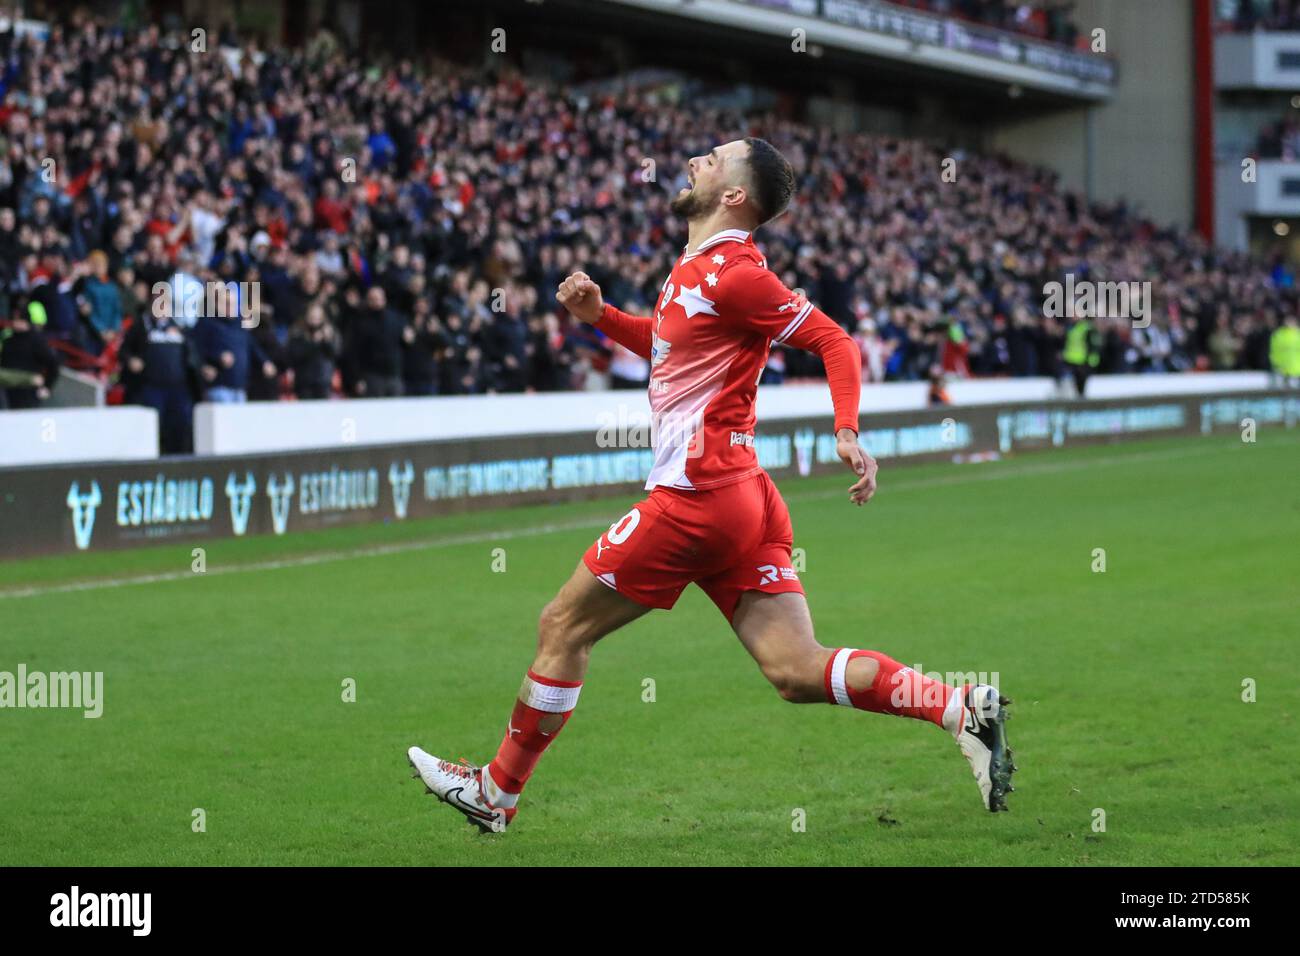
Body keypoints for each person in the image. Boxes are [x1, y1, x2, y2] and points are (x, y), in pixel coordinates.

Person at [408, 138, 1015, 831]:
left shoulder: (736, 275)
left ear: (733, 196)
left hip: (697, 498)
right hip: (745, 501)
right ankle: (959, 708)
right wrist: (601, 318)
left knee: (561, 626)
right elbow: (669, 348)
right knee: (795, 670)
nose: (696, 160)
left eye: (713, 158)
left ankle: (496, 794)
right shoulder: (696, 270)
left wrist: (846, 429)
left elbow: (835, 341)